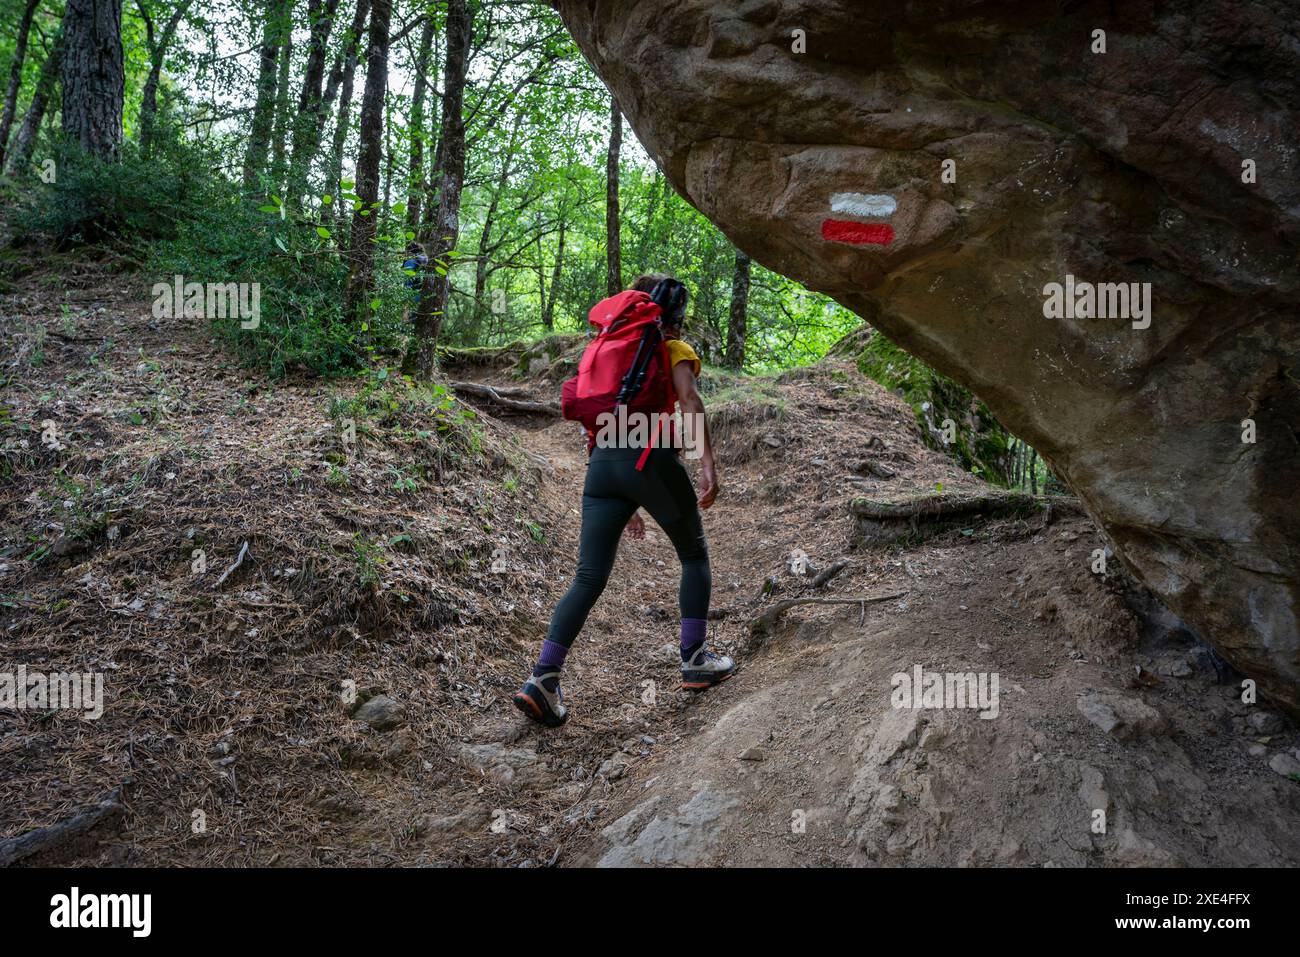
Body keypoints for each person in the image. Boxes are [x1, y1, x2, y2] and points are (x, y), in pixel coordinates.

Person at [513, 274, 734, 727]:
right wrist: (707, 462)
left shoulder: (606, 351)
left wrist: (625, 496)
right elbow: (690, 402)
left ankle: (543, 679)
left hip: (602, 467)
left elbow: (598, 420)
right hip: (650, 459)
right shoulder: (672, 348)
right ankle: (695, 659)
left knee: (587, 577)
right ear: (674, 315)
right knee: (693, 556)